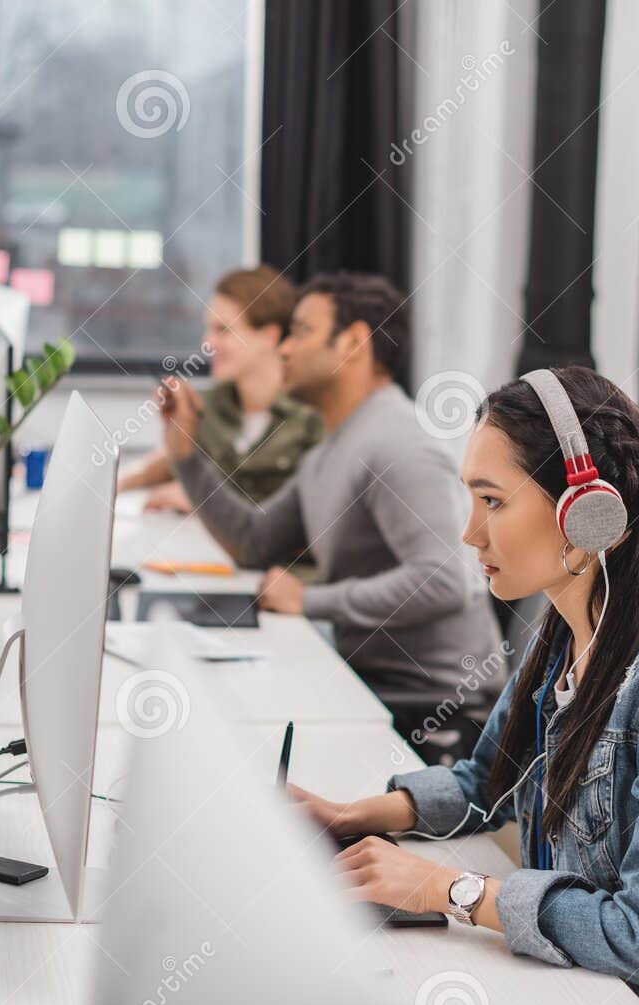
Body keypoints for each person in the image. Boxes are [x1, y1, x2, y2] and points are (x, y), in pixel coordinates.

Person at [291, 366, 639, 1004]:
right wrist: (351, 815)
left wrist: (450, 890)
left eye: (493, 501)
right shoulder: (568, 629)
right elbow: (488, 782)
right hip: (586, 983)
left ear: (585, 514)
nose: (469, 533)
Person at [158, 271, 505, 701]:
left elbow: (443, 582)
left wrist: (308, 600)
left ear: (353, 342)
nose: (285, 348)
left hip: (433, 699)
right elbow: (253, 542)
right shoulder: (329, 449)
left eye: (302, 332)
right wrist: (186, 454)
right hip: (371, 675)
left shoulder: (399, 444)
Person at [120, 264, 321, 513]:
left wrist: (205, 501)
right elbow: (161, 463)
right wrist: (110, 484)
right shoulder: (207, 406)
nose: (207, 342)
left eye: (223, 330)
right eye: (209, 328)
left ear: (268, 336)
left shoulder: (312, 416)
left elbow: (310, 511)